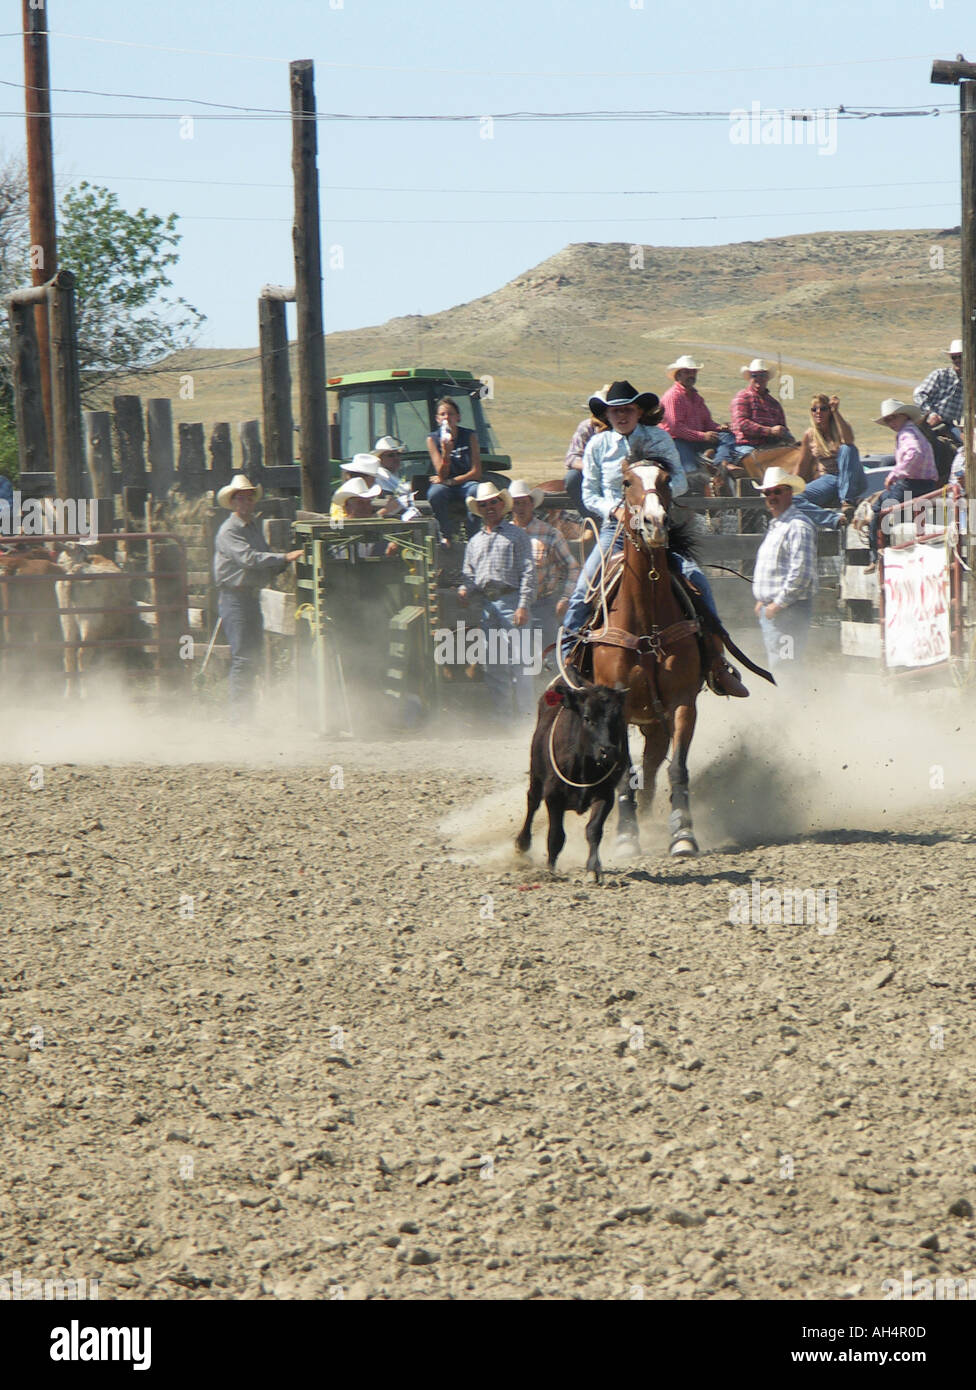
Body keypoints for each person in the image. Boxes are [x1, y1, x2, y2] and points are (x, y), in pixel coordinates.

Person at [560, 380, 748, 697]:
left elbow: (678, 481)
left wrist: (655, 500)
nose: (622, 416)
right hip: (617, 531)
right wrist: (616, 510)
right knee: (583, 589)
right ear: (607, 414)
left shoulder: (658, 438)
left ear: (638, 411)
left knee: (696, 579)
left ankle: (717, 662)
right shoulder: (597, 445)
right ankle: (569, 661)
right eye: (615, 411)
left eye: (627, 409)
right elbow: (590, 494)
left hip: (660, 527)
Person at [213, 474, 302, 716]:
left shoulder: (251, 527)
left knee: (251, 656)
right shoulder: (229, 531)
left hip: (249, 597)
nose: (246, 502)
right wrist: (284, 558)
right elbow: (249, 559)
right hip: (235, 597)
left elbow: (258, 560)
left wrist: (281, 562)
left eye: (249, 498)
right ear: (233, 502)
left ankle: (246, 715)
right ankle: (239, 719)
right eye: (241, 498)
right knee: (243, 657)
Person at [457, 481, 536, 720]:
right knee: (494, 665)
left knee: (521, 664)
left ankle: (526, 718)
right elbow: (469, 574)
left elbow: (528, 571)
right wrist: (464, 589)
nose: (489, 507)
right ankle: (505, 719)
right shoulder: (474, 542)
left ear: (502, 505)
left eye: (493, 502)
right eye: (484, 504)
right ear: (479, 509)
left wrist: (523, 604)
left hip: (511, 601)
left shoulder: (517, 535)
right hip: (487, 606)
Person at [752, 467, 818, 676]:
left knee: (785, 664)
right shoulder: (778, 525)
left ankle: (791, 706)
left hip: (788, 611)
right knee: (780, 662)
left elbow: (801, 573)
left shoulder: (798, 526)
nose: (771, 496)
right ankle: (789, 705)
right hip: (777, 610)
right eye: (767, 492)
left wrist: (778, 603)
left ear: (789, 492)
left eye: (777, 491)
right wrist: (764, 600)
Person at [508, 478, 580, 660]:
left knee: (550, 656)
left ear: (532, 504)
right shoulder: (504, 533)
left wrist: (565, 597)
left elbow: (572, 567)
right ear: (510, 507)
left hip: (543, 604)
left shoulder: (549, 533)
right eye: (516, 503)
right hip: (511, 606)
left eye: (524, 503)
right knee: (513, 658)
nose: (520, 508)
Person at [867, 399, 938, 569]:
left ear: (903, 416)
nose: (890, 423)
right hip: (928, 485)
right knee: (918, 520)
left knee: (878, 510)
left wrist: (894, 474)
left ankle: (876, 554)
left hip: (910, 484)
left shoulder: (906, 434)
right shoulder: (916, 432)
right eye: (888, 420)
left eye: (893, 418)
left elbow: (913, 453)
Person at [660, 355, 736, 478]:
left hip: (697, 440)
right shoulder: (673, 396)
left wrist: (720, 427)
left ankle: (721, 463)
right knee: (691, 471)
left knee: (727, 436)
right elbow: (675, 428)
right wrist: (703, 436)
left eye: (693, 372)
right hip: (677, 441)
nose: (691, 375)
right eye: (687, 372)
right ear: (678, 375)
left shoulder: (697, 398)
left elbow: (706, 423)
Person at [793, 393, 867, 521]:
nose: (818, 412)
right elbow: (802, 466)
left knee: (847, 448)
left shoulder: (841, 427)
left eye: (823, 409)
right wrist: (788, 486)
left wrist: (836, 412)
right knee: (793, 500)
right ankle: (834, 520)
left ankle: (847, 500)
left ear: (830, 411)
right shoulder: (810, 435)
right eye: (814, 409)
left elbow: (848, 440)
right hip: (829, 479)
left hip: (851, 477)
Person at [426, 397, 482, 544]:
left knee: (476, 491)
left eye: (450, 414)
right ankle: (446, 534)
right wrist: (446, 454)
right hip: (444, 484)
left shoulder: (469, 436)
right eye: (443, 414)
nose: (447, 417)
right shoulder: (432, 439)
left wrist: (452, 481)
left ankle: (473, 536)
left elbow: (476, 472)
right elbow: (441, 473)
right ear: (437, 419)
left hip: (465, 482)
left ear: (458, 417)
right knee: (435, 493)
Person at [731, 359, 795, 458]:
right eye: (755, 376)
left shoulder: (775, 404)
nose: (759, 378)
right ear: (750, 378)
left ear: (767, 378)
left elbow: (783, 427)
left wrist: (784, 433)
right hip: (747, 445)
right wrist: (770, 431)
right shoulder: (742, 397)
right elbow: (742, 423)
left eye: (762, 375)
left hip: (771, 446)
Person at [563, 385, 609, 519]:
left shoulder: (627, 427)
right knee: (572, 478)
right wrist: (592, 467)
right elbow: (572, 458)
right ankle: (590, 517)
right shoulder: (587, 427)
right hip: (591, 473)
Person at [914, 339, 963, 444]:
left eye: (961, 356)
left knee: (966, 448)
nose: (958, 360)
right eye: (954, 357)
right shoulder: (940, 375)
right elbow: (919, 394)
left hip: (951, 426)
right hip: (929, 421)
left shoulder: (971, 382)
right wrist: (931, 414)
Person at [331, 453, 382, 521]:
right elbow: (350, 520)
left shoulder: (343, 492)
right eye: (373, 478)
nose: (374, 481)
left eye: (368, 503)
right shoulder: (345, 495)